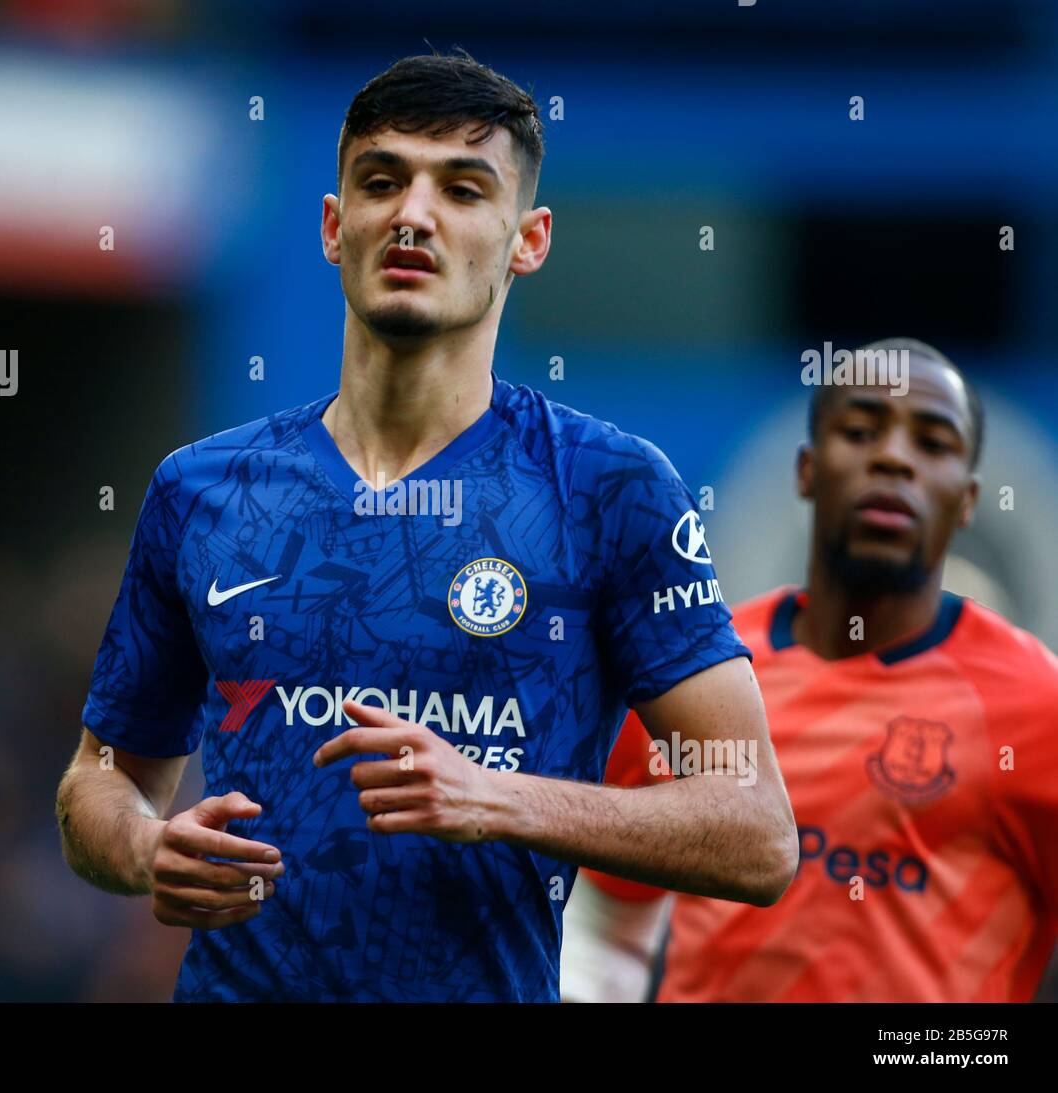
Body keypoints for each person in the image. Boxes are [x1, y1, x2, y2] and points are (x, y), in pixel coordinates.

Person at [55, 49, 796, 1003]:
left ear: (527, 239)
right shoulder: (204, 489)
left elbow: (758, 830)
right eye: (382, 180)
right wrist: (151, 848)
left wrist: (500, 798)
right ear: (334, 225)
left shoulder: (611, 490)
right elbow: (97, 784)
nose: (414, 214)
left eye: (462, 188)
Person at [570, 340, 1058, 1002]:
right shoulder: (691, 679)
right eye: (859, 430)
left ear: (968, 500)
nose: (892, 458)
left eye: (934, 443)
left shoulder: (1037, 705)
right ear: (805, 469)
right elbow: (609, 931)